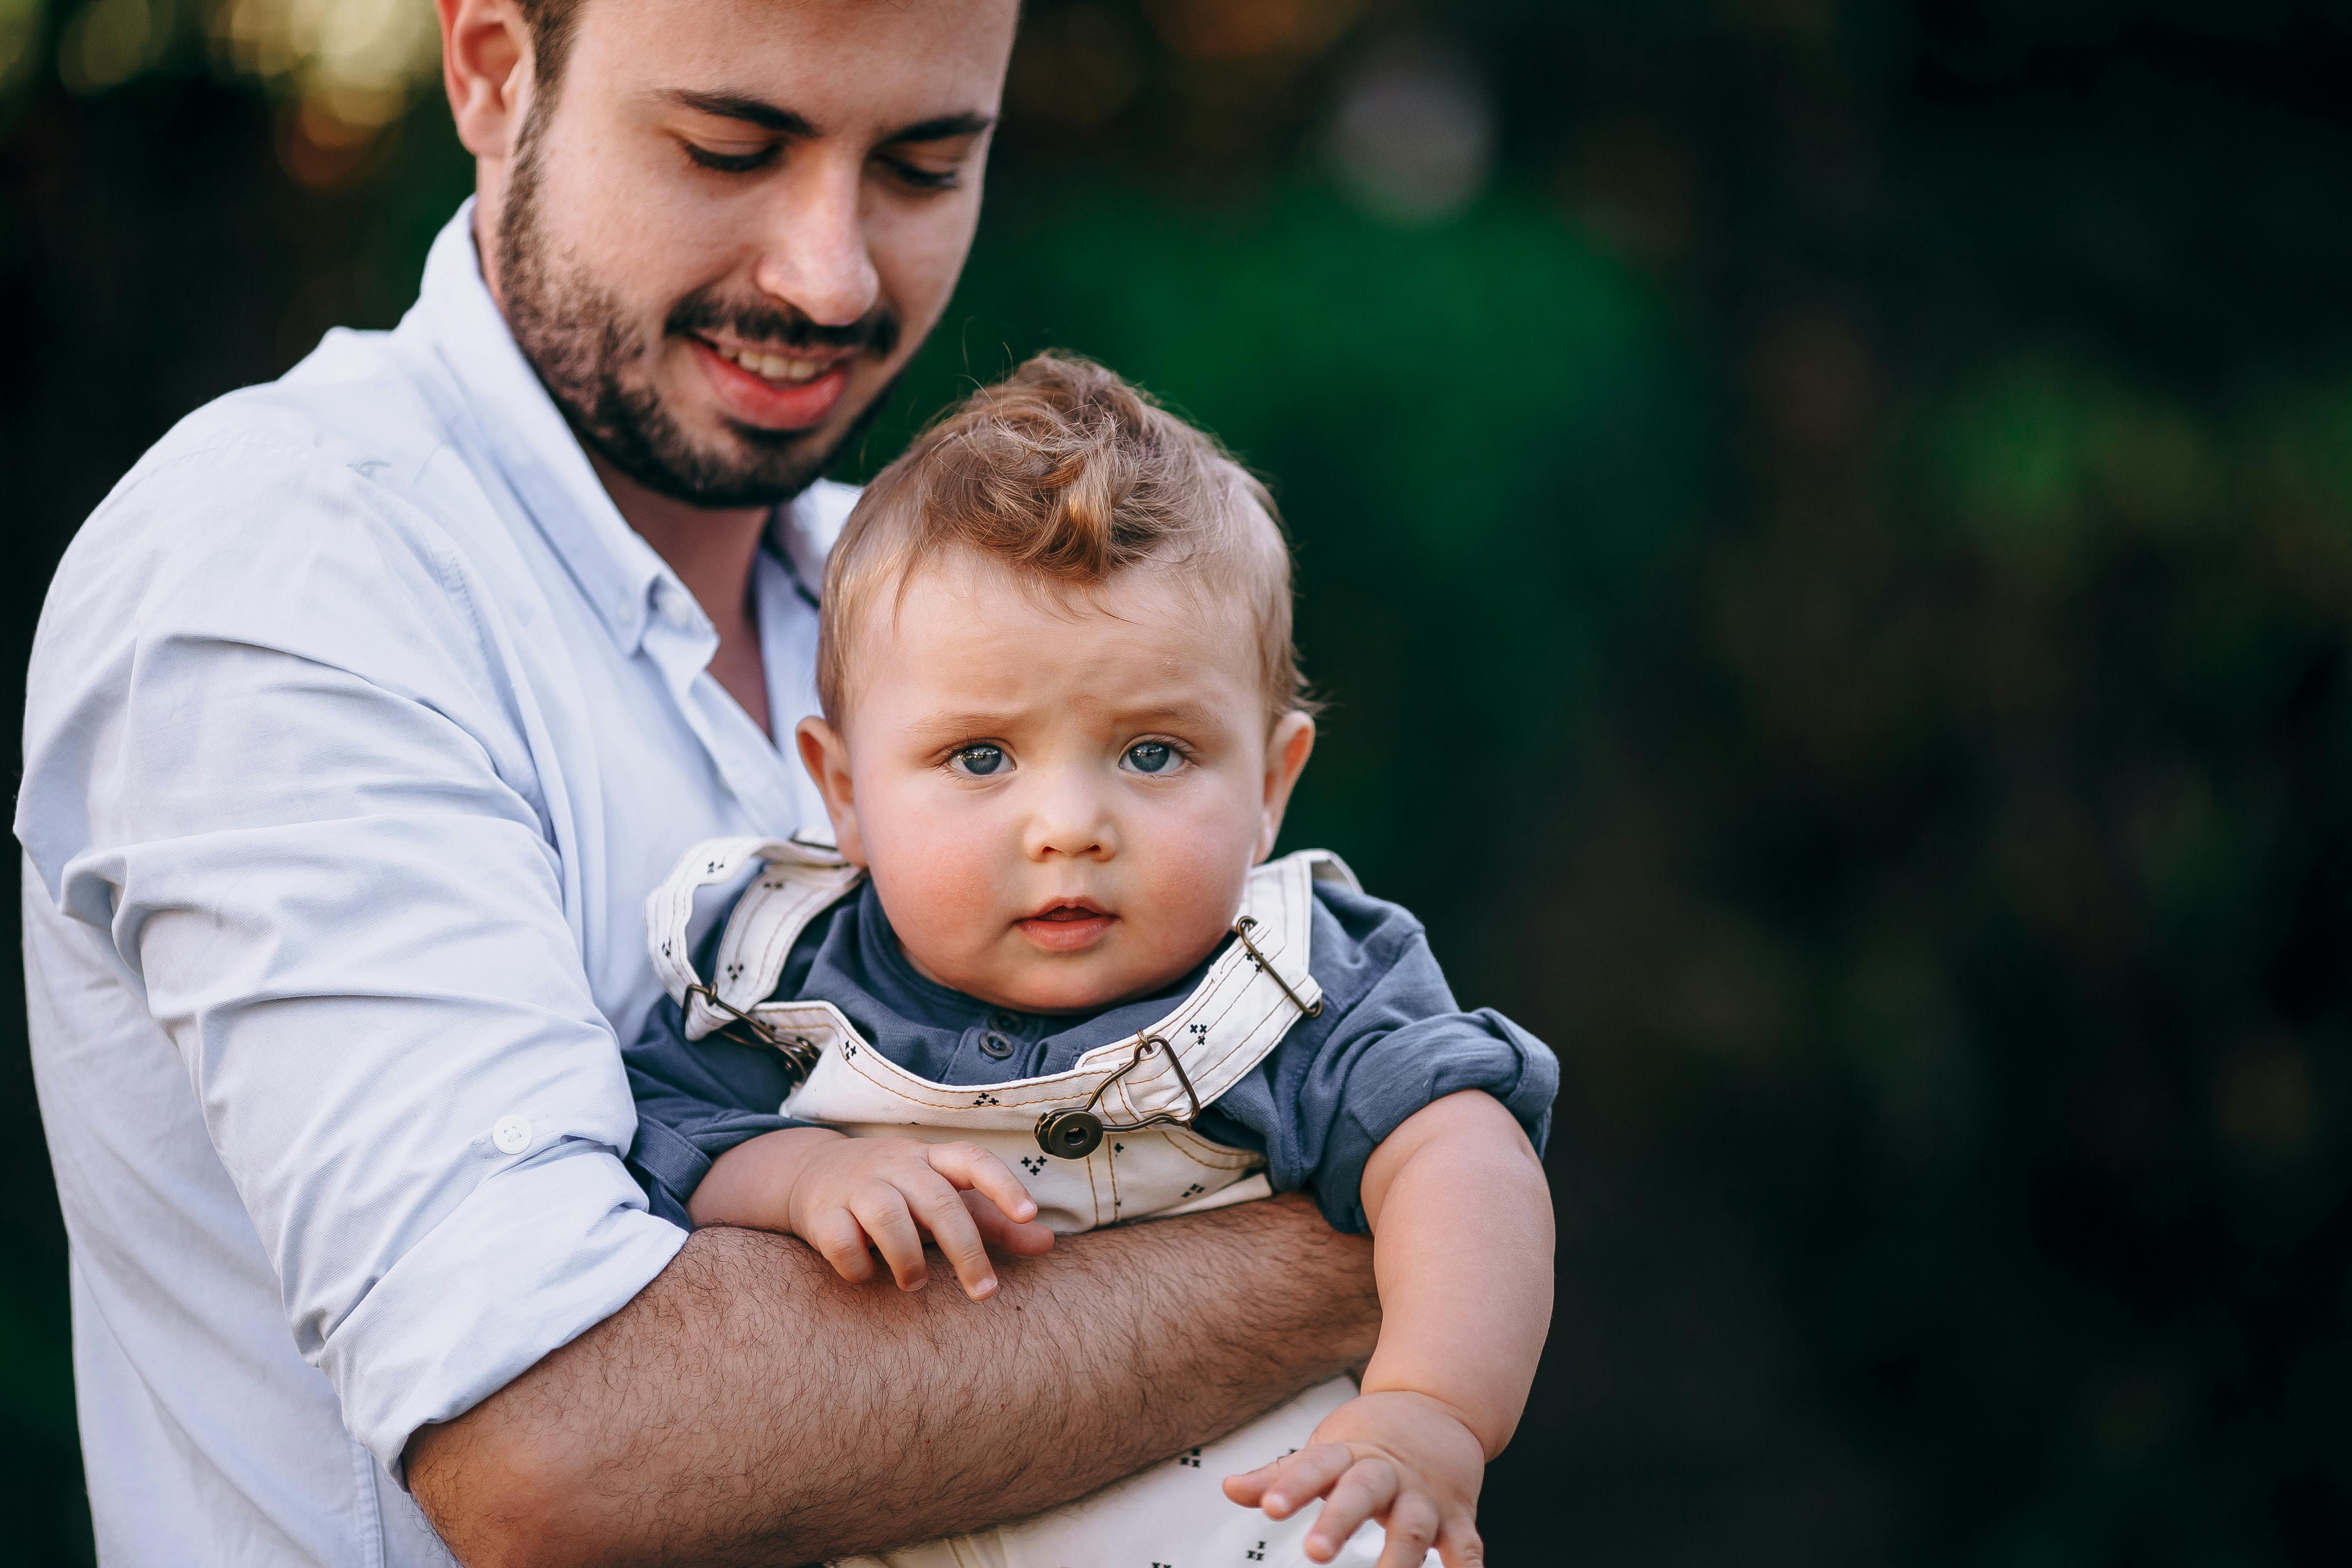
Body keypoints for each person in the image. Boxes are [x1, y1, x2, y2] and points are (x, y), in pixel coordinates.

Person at [15, 3, 1393, 1565]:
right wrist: (1367, 1238)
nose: (829, 275)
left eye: (925, 167)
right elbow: (556, 1453)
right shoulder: (287, 570)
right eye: (729, 149)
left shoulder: (942, 610)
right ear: (489, 69)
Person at [625, 355, 1559, 1568]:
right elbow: (664, 1133)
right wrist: (798, 1176)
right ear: (844, 794)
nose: (1069, 825)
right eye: (980, 759)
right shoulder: (783, 976)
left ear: (1272, 787)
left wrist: (1435, 1408)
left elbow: (1464, 1150)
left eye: (1156, 754)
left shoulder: (1300, 987)